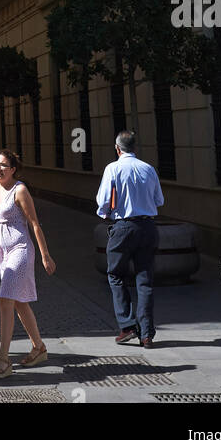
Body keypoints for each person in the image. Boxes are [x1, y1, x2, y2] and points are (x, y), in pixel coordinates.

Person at [0, 149, 55, 378]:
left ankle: (3, 359)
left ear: (12, 169)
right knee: (19, 301)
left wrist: (45, 255)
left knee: (5, 299)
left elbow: (35, 224)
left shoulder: (19, 190)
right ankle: (38, 347)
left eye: (3, 165)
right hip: (2, 251)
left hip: (20, 248)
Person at [96, 130, 164, 348]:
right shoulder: (148, 169)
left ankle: (126, 326)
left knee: (116, 275)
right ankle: (147, 334)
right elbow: (159, 200)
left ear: (117, 149)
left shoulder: (113, 168)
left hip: (123, 227)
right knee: (145, 280)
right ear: (135, 148)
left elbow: (103, 201)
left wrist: (104, 213)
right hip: (147, 226)